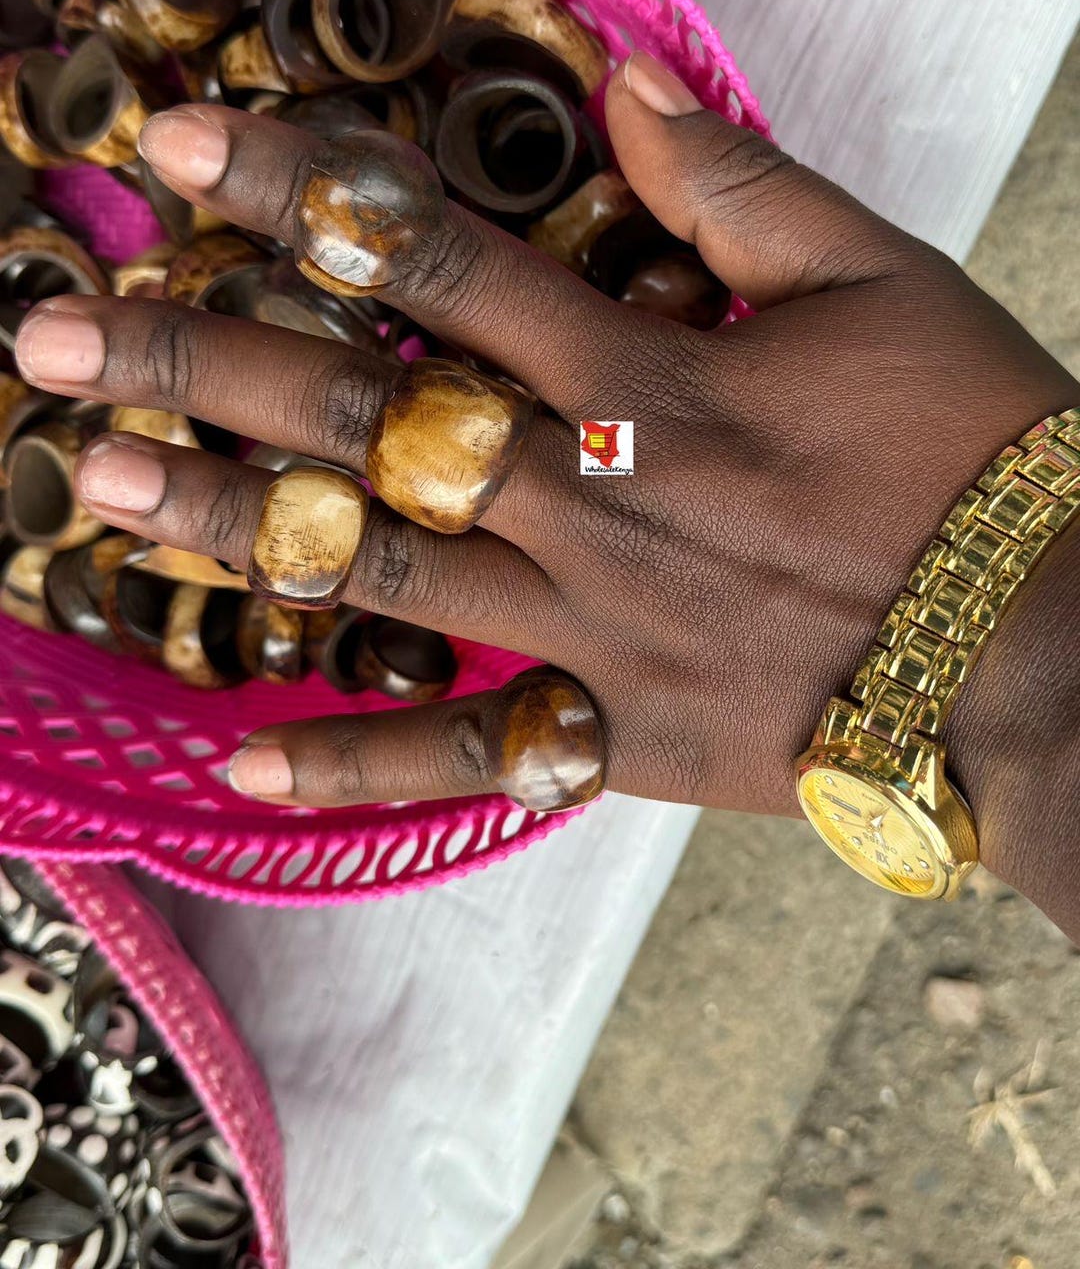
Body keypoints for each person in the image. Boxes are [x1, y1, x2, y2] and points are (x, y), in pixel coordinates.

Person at [13, 51, 1080, 938]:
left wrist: (996, 695)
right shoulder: (614, 447)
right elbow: (620, 457)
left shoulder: (618, 449)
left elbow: (624, 460)